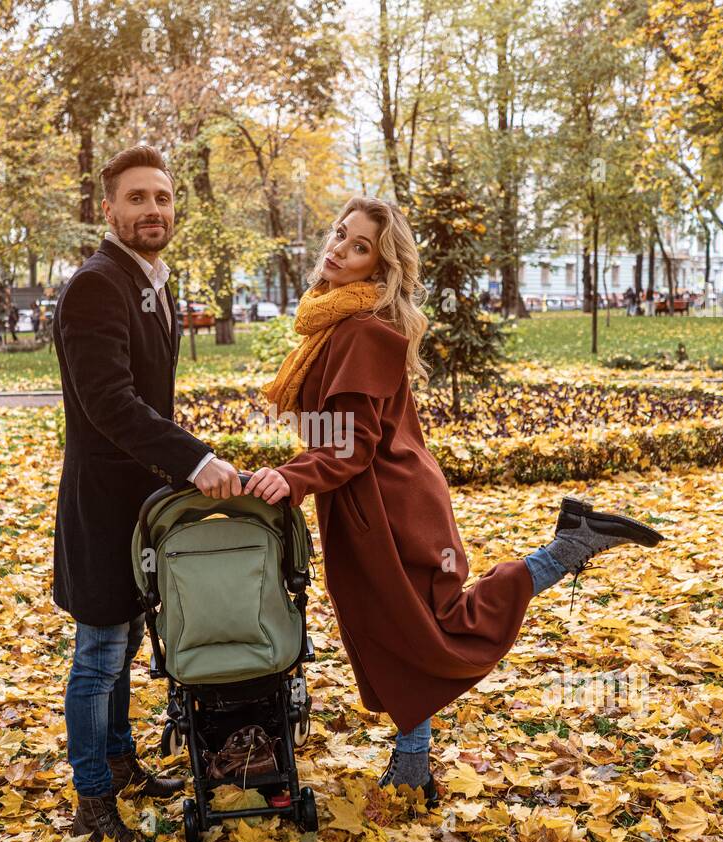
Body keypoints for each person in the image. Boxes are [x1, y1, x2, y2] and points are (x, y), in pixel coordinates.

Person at [242, 197, 665, 804]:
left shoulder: (362, 331)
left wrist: (294, 476)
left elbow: (353, 444)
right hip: (372, 504)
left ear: (380, 269)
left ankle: (569, 546)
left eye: (359, 246)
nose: (338, 248)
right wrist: (304, 473)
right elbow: (341, 436)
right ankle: (413, 761)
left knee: (428, 634)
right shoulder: (333, 324)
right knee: (404, 633)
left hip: (387, 509)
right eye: (340, 235)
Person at [52, 144, 243, 842]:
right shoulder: (96, 285)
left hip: (144, 505)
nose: (152, 210)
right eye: (137, 198)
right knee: (99, 650)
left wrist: (180, 465)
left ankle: (124, 761)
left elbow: (147, 399)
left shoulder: (152, 283)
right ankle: (92, 794)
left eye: (161, 198)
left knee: (128, 639)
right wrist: (196, 459)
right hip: (104, 505)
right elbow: (111, 403)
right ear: (109, 209)